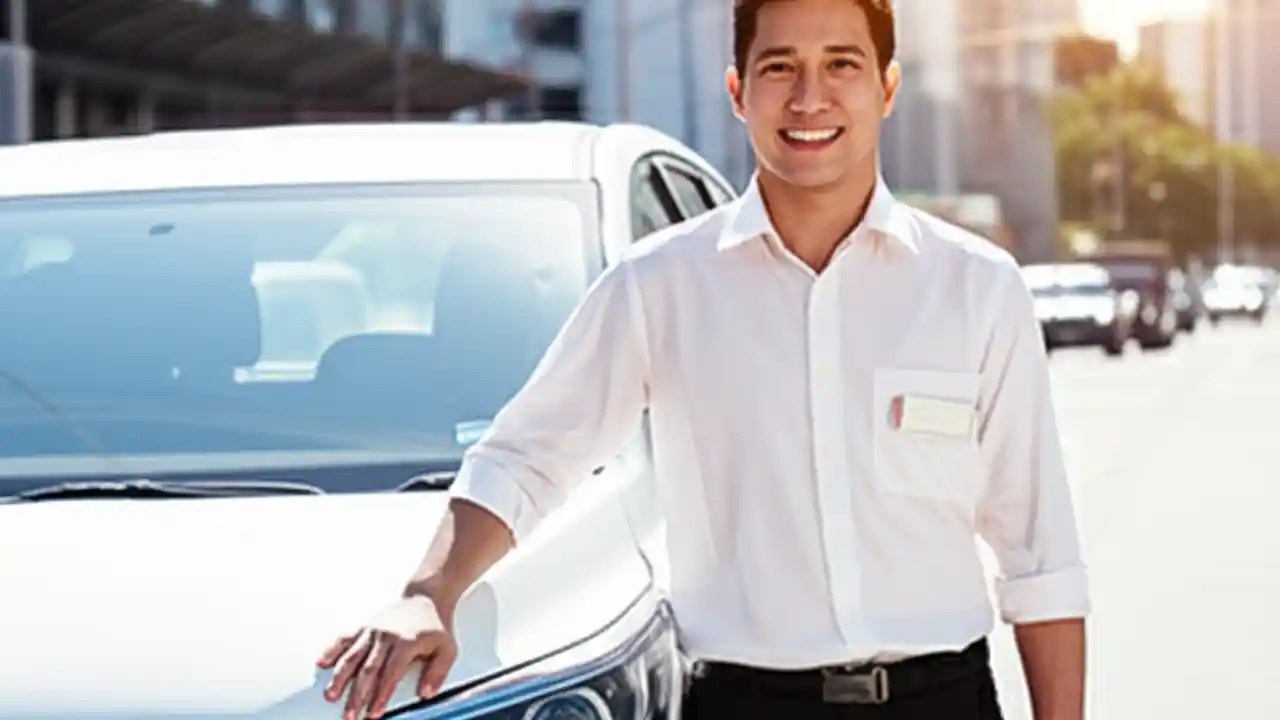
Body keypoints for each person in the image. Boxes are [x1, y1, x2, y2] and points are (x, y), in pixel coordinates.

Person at [317, 0, 1090, 717]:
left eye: (843, 66)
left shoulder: (978, 289)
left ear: (887, 88)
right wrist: (428, 593)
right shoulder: (660, 287)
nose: (809, 97)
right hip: (743, 705)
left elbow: (1040, 556)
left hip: (942, 699)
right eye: (780, 67)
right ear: (736, 90)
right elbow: (527, 456)